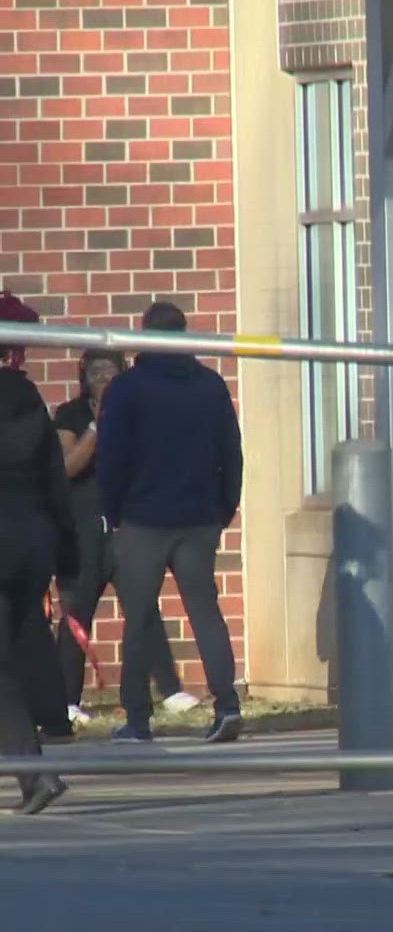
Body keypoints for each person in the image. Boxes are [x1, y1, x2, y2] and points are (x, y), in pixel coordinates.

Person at [97, 300, 245, 744]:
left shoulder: (127, 389)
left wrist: (113, 510)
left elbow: (112, 458)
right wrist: (225, 508)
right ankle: (227, 705)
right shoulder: (210, 385)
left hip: (143, 517)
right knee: (205, 611)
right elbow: (231, 453)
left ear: (144, 335)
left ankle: (138, 719)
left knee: (139, 617)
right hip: (199, 516)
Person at [51, 349, 188, 732]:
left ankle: (170, 689)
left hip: (127, 525)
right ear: (84, 377)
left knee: (143, 605)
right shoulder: (71, 415)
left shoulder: (137, 410)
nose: (103, 380)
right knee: (77, 610)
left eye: (110, 372)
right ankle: (67, 700)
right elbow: (66, 467)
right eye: (95, 373)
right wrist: (96, 429)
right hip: (81, 529)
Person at [0, 291, 72, 812]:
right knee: (24, 647)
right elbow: (55, 483)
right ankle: (40, 759)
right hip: (32, 541)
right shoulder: (31, 403)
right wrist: (66, 557)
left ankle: (35, 772)